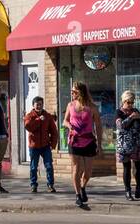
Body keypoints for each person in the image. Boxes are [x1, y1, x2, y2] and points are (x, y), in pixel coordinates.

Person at [65, 82, 103, 210]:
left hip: (88, 141)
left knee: (87, 172)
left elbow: (98, 125)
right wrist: (69, 125)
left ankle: (82, 187)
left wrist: (100, 143)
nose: (72, 93)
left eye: (74, 91)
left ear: (81, 92)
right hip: (74, 140)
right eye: (71, 91)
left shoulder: (92, 107)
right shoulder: (70, 105)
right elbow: (65, 120)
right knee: (76, 168)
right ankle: (77, 195)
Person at [114, 90, 140, 201]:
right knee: (127, 168)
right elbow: (120, 126)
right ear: (123, 101)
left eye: (132, 102)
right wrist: (131, 117)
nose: (130, 105)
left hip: (136, 143)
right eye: (128, 102)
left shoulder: (135, 111)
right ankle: (128, 191)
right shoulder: (118, 112)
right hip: (124, 145)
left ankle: (139, 190)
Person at [22, 96, 58, 193]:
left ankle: (50, 185)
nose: (39, 106)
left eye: (41, 104)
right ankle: (33, 185)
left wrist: (52, 144)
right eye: (37, 104)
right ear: (33, 105)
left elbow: (54, 132)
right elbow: (28, 126)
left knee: (49, 166)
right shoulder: (29, 116)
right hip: (34, 146)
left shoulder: (48, 116)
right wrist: (38, 120)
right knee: (33, 167)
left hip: (45, 145)